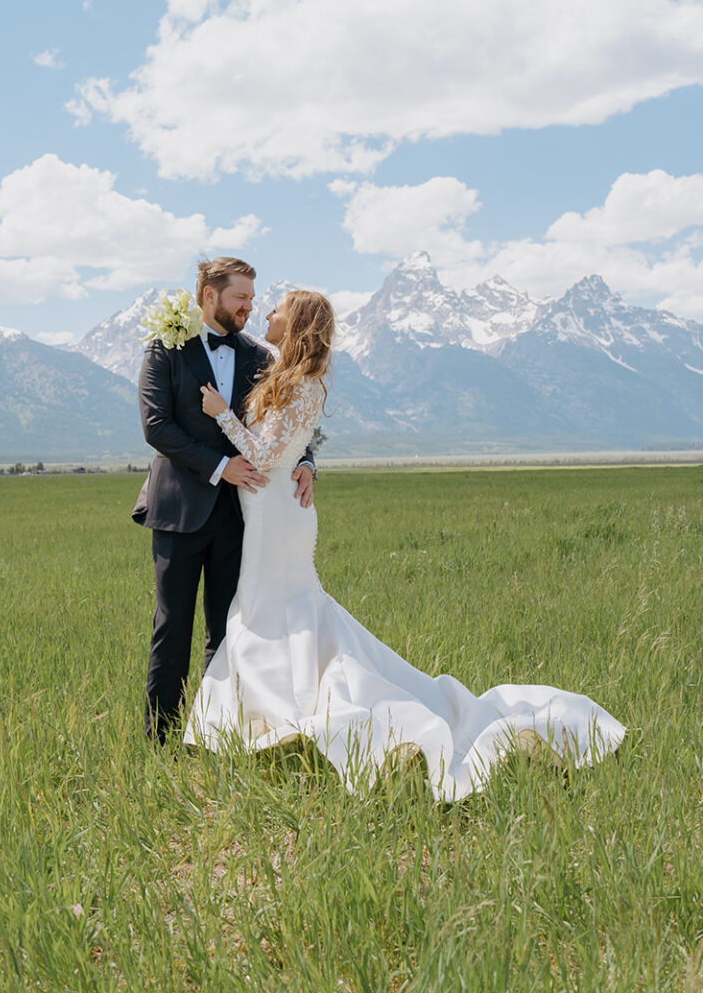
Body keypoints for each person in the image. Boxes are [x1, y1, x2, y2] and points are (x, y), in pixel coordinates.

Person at [186, 289, 625, 802]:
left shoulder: (302, 382)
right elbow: (291, 447)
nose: (267, 314)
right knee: (274, 611)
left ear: (297, 321)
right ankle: (266, 713)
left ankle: (284, 716)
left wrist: (221, 413)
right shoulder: (282, 372)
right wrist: (301, 459)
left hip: (277, 516)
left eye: (277, 309)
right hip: (266, 510)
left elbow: (263, 455)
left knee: (273, 609)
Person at [133, 258, 316, 743]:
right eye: (241, 299)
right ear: (210, 296)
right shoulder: (165, 348)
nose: (250, 309)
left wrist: (307, 463)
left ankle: (215, 734)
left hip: (242, 514)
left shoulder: (261, 356)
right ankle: (162, 741)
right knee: (171, 629)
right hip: (178, 510)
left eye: (254, 301)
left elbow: (287, 423)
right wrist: (220, 467)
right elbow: (157, 427)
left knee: (230, 630)